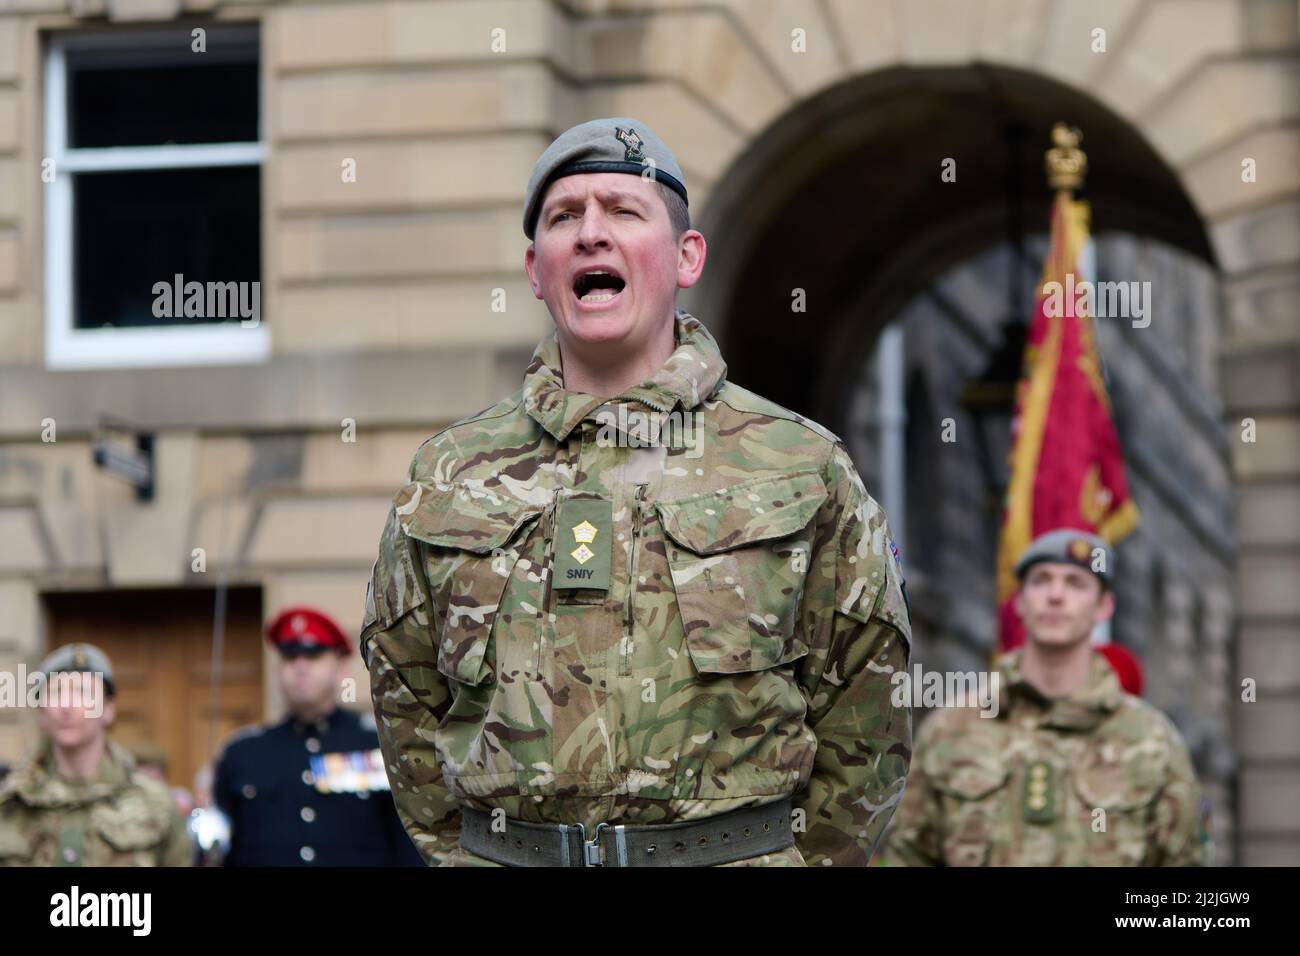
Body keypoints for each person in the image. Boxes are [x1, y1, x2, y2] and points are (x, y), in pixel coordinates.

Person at [362, 117, 912, 867]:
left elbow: (866, 712)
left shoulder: (798, 465)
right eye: (565, 217)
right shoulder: (450, 472)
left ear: (686, 257)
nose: (591, 233)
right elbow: (406, 702)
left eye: (624, 210)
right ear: (535, 268)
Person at [881, 529, 1212, 866]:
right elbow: (908, 856)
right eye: (1041, 580)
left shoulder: (1153, 742)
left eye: (1075, 583)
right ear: (1021, 601)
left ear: (1104, 606)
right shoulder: (951, 730)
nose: (1056, 595)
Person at [213, 607, 423, 866]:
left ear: (339, 667)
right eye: (290, 657)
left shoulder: (379, 744)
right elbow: (220, 845)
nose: (300, 666)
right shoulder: (242, 753)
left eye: (313, 655)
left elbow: (410, 843)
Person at [0, 643, 191, 866]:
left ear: (109, 710)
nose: (66, 705)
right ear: (41, 711)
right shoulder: (10, 802)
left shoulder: (154, 803)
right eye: (55, 693)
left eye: (82, 692)